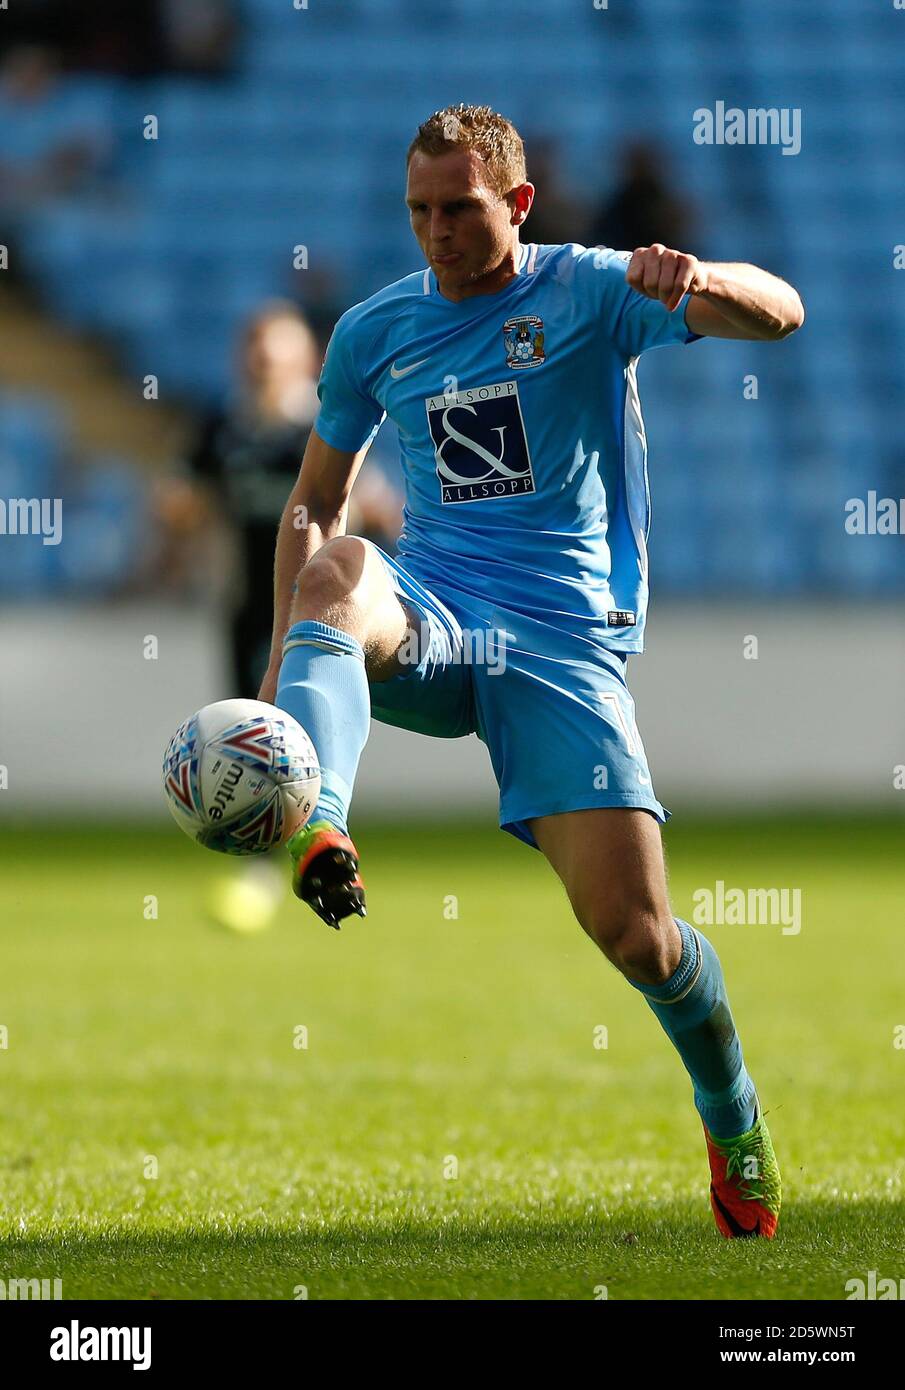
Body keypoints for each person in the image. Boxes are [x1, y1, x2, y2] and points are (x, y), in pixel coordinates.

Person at [259, 105, 804, 1238]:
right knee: (346, 559)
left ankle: (730, 1105)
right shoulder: (373, 331)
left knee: (638, 937)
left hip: (557, 645)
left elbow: (780, 314)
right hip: (437, 616)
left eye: (457, 209)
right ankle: (316, 811)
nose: (436, 233)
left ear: (515, 204)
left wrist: (693, 274)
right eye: (417, 211)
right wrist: (276, 698)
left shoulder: (593, 290)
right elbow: (311, 503)